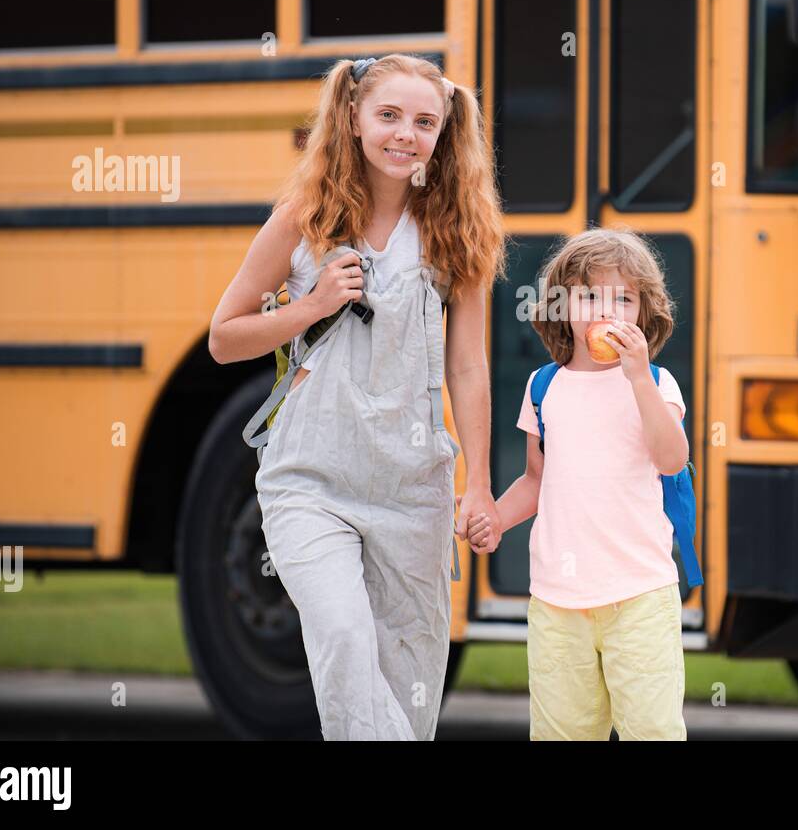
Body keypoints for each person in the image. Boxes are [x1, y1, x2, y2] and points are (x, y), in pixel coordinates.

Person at [208, 54, 506, 739]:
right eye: (390, 116)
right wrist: (309, 306)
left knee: (411, 687)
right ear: (353, 117)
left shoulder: (456, 232)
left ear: (443, 132)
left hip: (413, 491)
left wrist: (480, 485)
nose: (406, 134)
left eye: (425, 122)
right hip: (310, 479)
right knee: (343, 637)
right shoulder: (304, 217)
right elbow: (225, 336)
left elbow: (468, 367)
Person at [466, 228, 690, 740]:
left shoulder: (656, 384)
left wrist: (637, 377)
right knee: (562, 731)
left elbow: (671, 459)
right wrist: (496, 518)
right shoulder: (544, 386)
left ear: (644, 312)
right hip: (557, 600)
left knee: (652, 729)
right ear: (561, 305)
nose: (604, 309)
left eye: (623, 298)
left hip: (640, 596)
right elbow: (536, 479)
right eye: (588, 295)